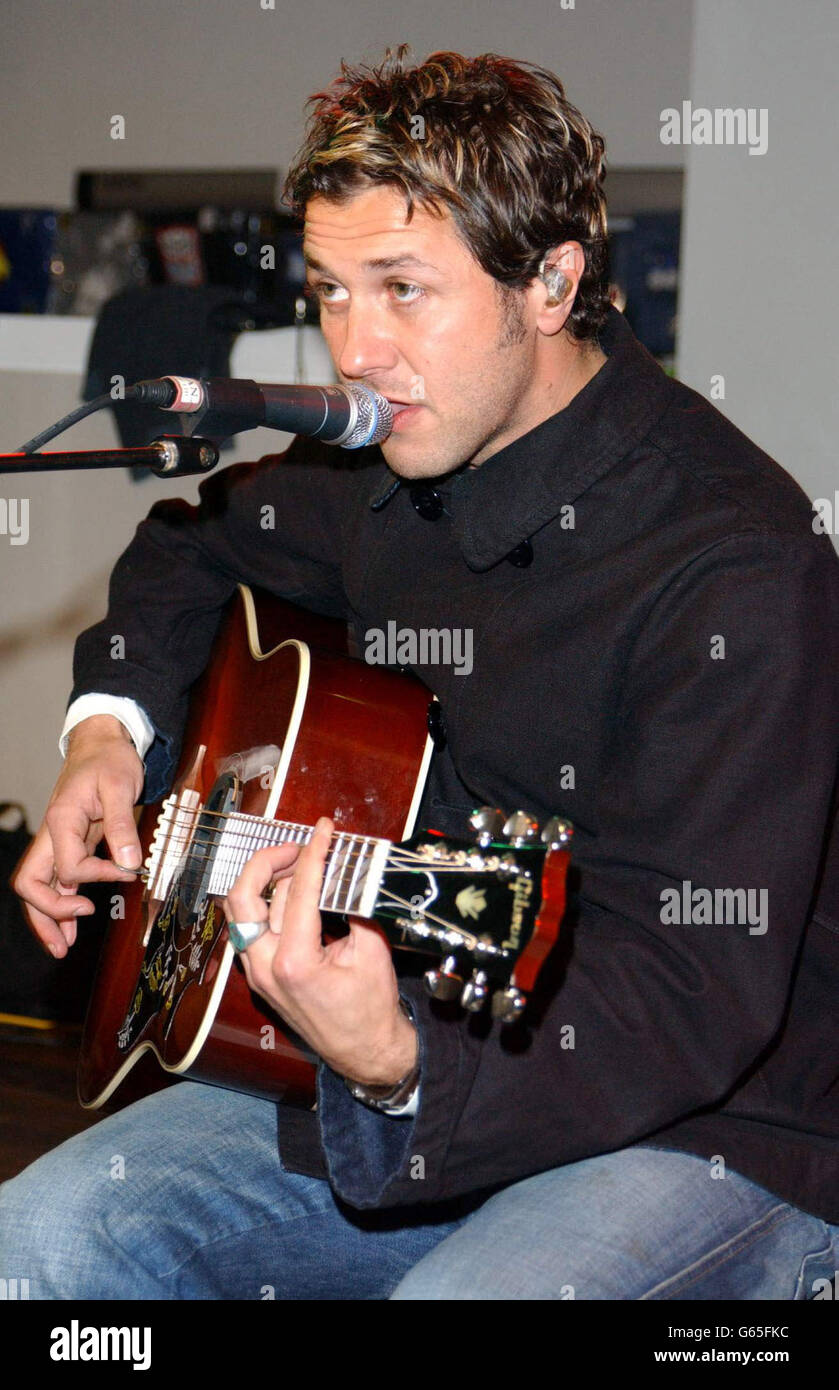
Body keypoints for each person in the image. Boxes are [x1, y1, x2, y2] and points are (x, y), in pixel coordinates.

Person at [2, 47, 838, 1301]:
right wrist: (106, 736)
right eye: (331, 293)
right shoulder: (389, 467)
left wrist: (402, 1066)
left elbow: (692, 988)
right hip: (402, 1053)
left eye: (402, 289)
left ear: (549, 282)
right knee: (42, 1238)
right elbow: (190, 545)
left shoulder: (733, 563)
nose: (357, 349)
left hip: (709, 1125)